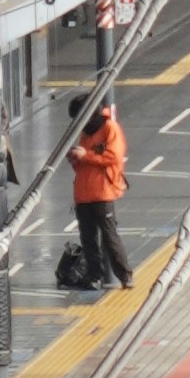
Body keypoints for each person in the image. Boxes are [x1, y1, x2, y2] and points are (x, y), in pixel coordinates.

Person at [62, 90, 129, 291]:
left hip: (103, 191)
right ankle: (94, 275)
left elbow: (112, 157)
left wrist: (85, 155)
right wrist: (76, 158)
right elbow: (85, 162)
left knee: (109, 236)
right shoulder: (85, 133)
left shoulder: (110, 129)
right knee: (88, 238)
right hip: (83, 192)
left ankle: (125, 274)